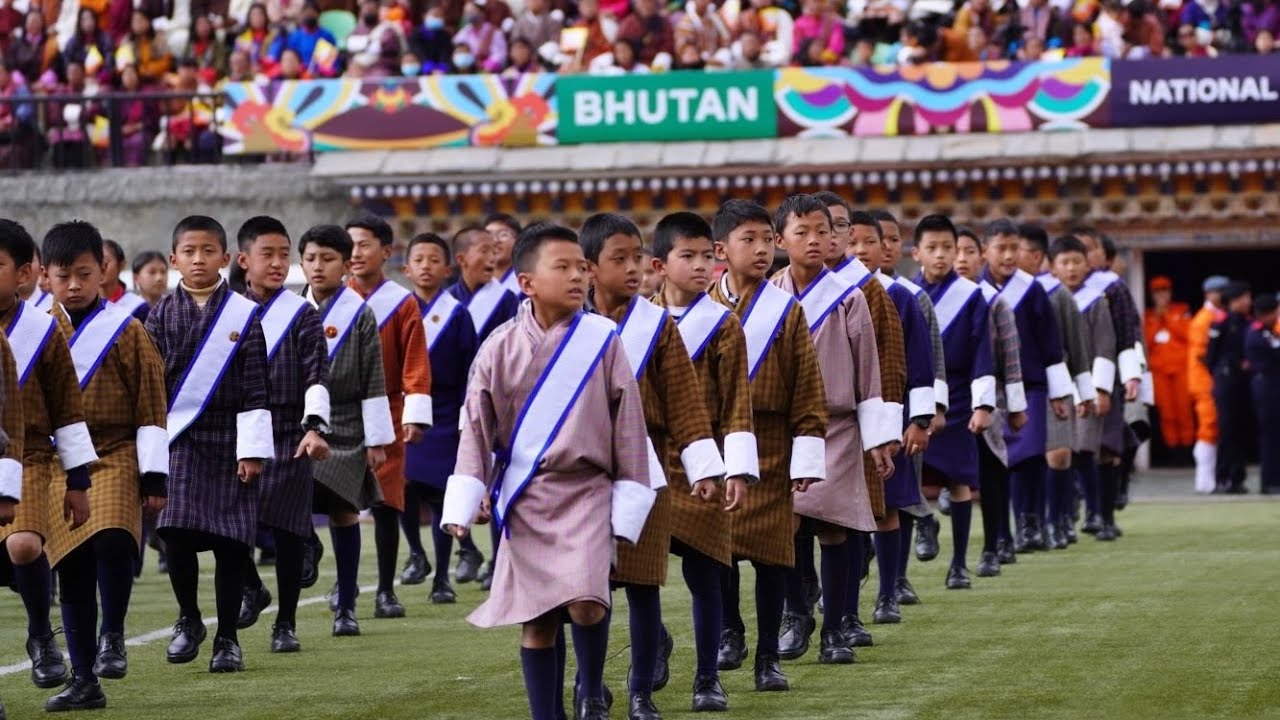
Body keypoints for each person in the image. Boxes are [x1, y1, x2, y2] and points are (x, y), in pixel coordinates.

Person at [439, 223, 654, 720]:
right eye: (563, 268)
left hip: (587, 491)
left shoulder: (603, 339)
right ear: (527, 282)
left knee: (586, 601)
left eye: (582, 267)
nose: (578, 277)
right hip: (524, 495)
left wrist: (629, 503)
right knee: (535, 619)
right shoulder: (498, 346)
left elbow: (629, 425)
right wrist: (466, 498)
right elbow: (475, 427)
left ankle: (592, 691)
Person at [579, 213, 726, 719]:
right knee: (587, 590)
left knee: (643, 588)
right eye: (618, 258)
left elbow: (686, 404)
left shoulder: (656, 326)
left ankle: (641, 693)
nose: (632, 268)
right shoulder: (565, 326)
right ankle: (590, 690)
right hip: (580, 477)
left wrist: (704, 467)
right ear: (589, 268)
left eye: (637, 257)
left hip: (646, 472)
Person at [38, 221, 168, 711]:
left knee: (113, 536)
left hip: (113, 451)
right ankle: (83, 678)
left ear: (104, 272)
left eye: (84, 274)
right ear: (46, 276)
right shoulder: (33, 329)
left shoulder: (129, 330)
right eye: (63, 275)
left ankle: (113, 634)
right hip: (52, 460)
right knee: (70, 568)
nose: (74, 285)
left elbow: (152, 403)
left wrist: (153, 475)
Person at [708, 199, 827, 693]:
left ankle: (767, 656)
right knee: (720, 553)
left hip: (773, 445)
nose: (761, 250)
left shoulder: (786, 309)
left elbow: (807, 388)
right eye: (748, 240)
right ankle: (729, 631)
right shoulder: (701, 308)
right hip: (715, 447)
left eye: (765, 239)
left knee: (775, 556)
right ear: (721, 249)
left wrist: (807, 455)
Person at [147, 215, 272, 673]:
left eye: (207, 250)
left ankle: (227, 639)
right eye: (189, 251)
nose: (198, 259)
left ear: (224, 257)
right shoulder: (160, 313)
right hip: (180, 438)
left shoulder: (244, 312)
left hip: (232, 438)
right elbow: (152, 386)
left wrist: (253, 450)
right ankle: (189, 618)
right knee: (173, 528)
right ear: (174, 259)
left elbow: (258, 386)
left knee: (231, 542)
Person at [769, 195, 889, 667]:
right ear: (781, 240)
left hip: (837, 427)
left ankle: (837, 625)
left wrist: (878, 438)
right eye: (803, 232)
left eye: (823, 231)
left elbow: (869, 372)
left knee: (836, 530)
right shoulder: (766, 297)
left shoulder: (849, 297)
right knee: (790, 526)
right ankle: (796, 614)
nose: (815, 240)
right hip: (783, 429)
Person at [649, 211, 754, 712]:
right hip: (646, 460)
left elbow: (737, 399)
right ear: (661, 265)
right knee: (635, 573)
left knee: (707, 571)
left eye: (706, 257)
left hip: (704, 460)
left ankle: (708, 676)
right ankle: (655, 643)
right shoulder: (637, 320)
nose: (699, 266)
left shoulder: (723, 324)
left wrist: (734, 466)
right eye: (686, 257)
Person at [0, 219, 98, 691]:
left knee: (23, 544)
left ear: (23, 273)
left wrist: (78, 481)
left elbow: (67, 406)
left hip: (30, 455)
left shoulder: (44, 327)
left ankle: (41, 632)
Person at [232, 217, 330, 653]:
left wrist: (314, 426)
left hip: (290, 431)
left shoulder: (303, 314)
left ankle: (285, 623)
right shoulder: (228, 312)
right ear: (243, 260)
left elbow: (316, 372)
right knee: (230, 525)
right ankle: (252, 587)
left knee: (291, 531)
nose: (277, 263)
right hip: (240, 433)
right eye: (266, 254)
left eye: (282, 255)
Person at [814, 195, 908, 641]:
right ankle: (802, 609)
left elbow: (888, 364)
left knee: (849, 522)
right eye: (818, 227)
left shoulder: (867, 289)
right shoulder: (778, 288)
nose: (827, 237)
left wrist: (882, 434)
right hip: (800, 428)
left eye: (836, 227)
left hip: (853, 425)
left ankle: (846, 613)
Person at [300, 225, 394, 637]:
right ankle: (306, 550)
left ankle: (347, 605)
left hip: (349, 424)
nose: (318, 267)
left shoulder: (361, 312)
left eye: (328, 259)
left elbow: (375, 378)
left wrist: (376, 440)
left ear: (344, 264)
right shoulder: (292, 311)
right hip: (300, 424)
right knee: (288, 506)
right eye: (310, 259)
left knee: (344, 511)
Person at [846, 210, 932, 631]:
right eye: (852, 241)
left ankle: (888, 591)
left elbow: (919, 363)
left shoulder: (900, 297)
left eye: (869, 242)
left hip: (887, 416)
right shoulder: (828, 295)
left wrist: (918, 419)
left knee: (889, 506)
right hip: (842, 419)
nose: (860, 250)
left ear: (886, 248)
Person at [345, 214, 432, 618]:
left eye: (364, 245)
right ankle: (344, 589)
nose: (356, 253)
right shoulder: (328, 299)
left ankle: (384, 589)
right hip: (339, 413)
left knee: (385, 503)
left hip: (389, 411)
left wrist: (414, 414)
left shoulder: (402, 302)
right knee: (337, 502)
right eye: (351, 245)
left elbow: (415, 362)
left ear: (386, 251)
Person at [912, 214, 994, 590]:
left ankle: (959, 564)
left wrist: (983, 405)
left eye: (949, 248)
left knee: (960, 481)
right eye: (933, 248)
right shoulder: (906, 294)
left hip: (960, 395)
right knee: (911, 478)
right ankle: (922, 525)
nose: (942, 255)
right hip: (916, 395)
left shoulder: (973, 296)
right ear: (917, 253)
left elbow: (982, 353)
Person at [981, 220, 1073, 552]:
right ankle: (1002, 533)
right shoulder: (975, 289)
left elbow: (1051, 343)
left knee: (1030, 455)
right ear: (985, 251)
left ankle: (1029, 522)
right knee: (999, 462)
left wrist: (1060, 393)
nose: (1008, 256)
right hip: (991, 387)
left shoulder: (1031, 289)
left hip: (1031, 385)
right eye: (1000, 248)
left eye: (1013, 248)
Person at [401, 233, 477, 604]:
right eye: (419, 259)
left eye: (434, 260)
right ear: (406, 268)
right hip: (409, 410)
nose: (426, 266)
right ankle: (415, 553)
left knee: (444, 496)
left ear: (448, 269)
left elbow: (470, 369)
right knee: (402, 487)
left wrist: (467, 416)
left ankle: (443, 577)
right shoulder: (399, 309)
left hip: (447, 413)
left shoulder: (458, 314)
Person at [872, 208, 942, 603]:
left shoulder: (909, 296)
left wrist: (929, 412)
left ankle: (896, 579)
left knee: (899, 496)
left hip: (902, 410)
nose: (881, 247)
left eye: (890, 240)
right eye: (867, 239)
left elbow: (931, 357)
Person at [446, 226, 518, 587]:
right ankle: (465, 548)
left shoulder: (507, 300)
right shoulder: (448, 300)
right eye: (484, 251)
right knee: (461, 472)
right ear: (462, 259)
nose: (491, 258)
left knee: (493, 475)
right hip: (456, 399)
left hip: (495, 397)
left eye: (496, 250)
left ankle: (497, 558)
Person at [1019, 223, 1096, 550]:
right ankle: (1029, 522)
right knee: (1027, 458)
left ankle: (1059, 518)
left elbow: (1077, 347)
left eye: (1017, 249)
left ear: (1037, 256)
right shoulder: (1000, 292)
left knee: (1059, 455)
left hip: (1056, 384)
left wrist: (1084, 391)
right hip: (1018, 387)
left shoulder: (1057, 294)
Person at [956, 228, 1026, 575]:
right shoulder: (928, 296)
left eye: (968, 252)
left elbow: (1011, 356)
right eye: (955, 252)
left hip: (991, 395)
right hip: (950, 397)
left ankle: (995, 542)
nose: (960, 259)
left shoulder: (993, 299)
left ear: (980, 255)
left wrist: (1016, 406)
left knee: (991, 470)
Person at [1049, 236, 1120, 541]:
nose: (1071, 268)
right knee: (1058, 454)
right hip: (1057, 386)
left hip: (1088, 385)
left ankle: (1096, 513)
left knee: (1085, 451)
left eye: (1076, 261)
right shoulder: (1049, 299)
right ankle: (1063, 515)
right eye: (1064, 262)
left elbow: (1106, 346)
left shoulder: (1096, 300)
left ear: (1087, 264)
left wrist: (1100, 390)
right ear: (1053, 267)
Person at [1205, 282, 1253, 495]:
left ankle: (1238, 478)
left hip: (1245, 384)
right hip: (1225, 383)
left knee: (1243, 430)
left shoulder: (1250, 323)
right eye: (1244, 297)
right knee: (1227, 430)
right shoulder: (1220, 323)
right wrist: (1223, 374)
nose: (1247, 302)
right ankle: (1222, 478)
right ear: (1233, 301)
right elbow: (1210, 357)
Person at [1144, 275, 1194, 459]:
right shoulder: (1148, 317)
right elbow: (1145, 342)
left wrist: (1168, 318)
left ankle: (1188, 450)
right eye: (1157, 292)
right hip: (1160, 372)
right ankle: (1173, 453)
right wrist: (1157, 320)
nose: (1161, 296)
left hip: (1181, 369)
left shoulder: (1182, 311)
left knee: (1184, 411)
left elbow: (1189, 335)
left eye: (1164, 291)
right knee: (1167, 413)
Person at [1188, 275, 1228, 492]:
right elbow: (1203, 355)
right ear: (1209, 293)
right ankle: (1204, 481)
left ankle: (1209, 479)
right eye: (1219, 291)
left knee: (1213, 428)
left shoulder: (1217, 315)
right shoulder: (1203, 319)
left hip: (1211, 381)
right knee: (1208, 428)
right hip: (1204, 382)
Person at [1245, 293, 1280, 495]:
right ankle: (1269, 481)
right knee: (1270, 436)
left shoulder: (1269, 331)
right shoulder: (1257, 333)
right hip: (1266, 386)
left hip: (1272, 384)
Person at [102, 239, 152, 321]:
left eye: (105, 262)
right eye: (95, 262)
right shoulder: (83, 306)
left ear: (121, 265)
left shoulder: (137, 307)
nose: (100, 267)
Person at [485, 213, 522, 295]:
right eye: (489, 235)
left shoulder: (526, 282)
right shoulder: (476, 283)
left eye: (503, 235)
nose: (495, 241)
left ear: (518, 241)